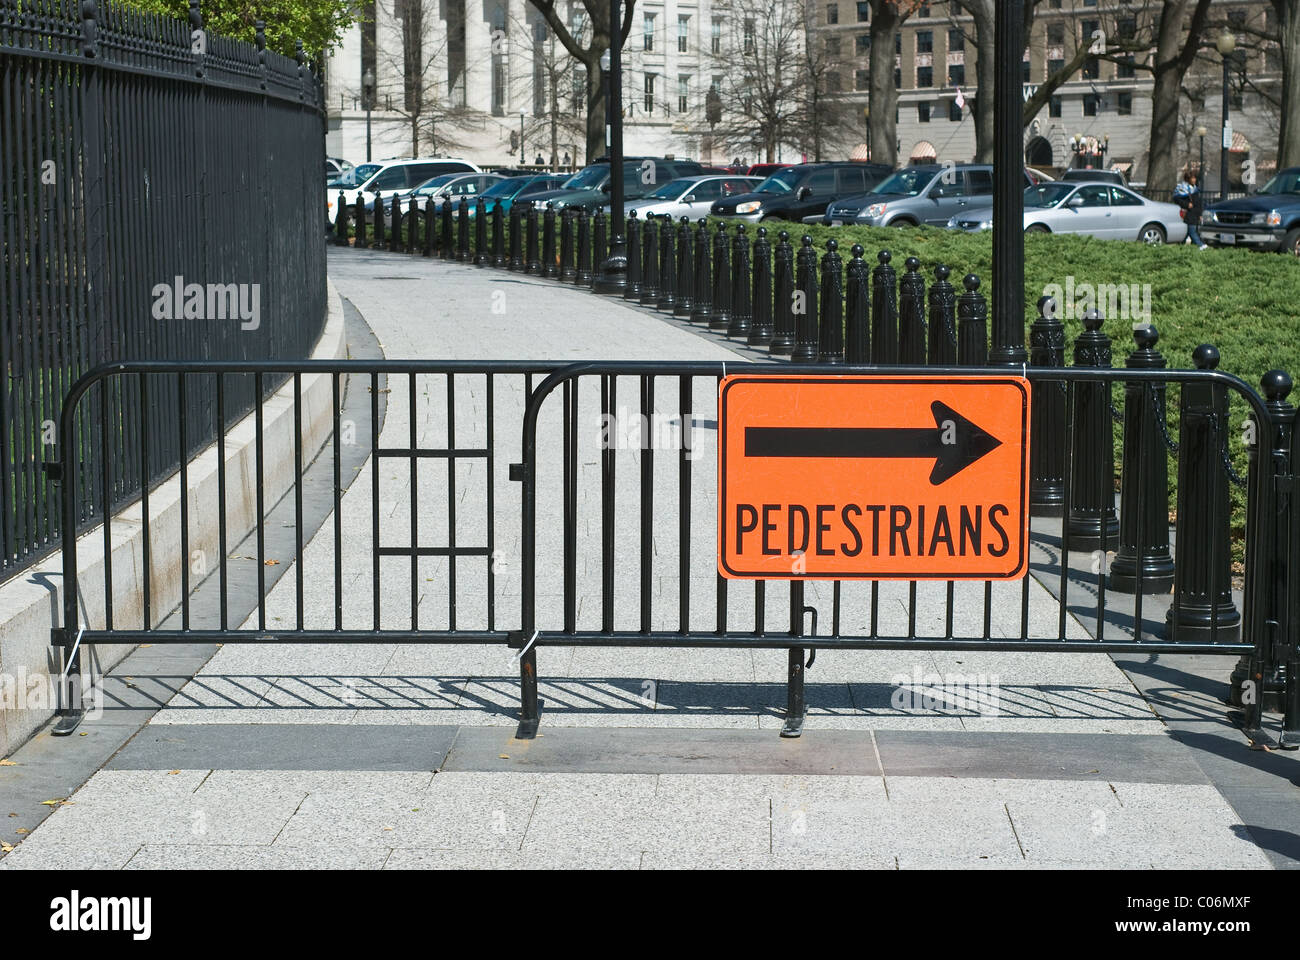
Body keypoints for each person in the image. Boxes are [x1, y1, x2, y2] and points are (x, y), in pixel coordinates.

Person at [1174, 168, 1207, 248]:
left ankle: (1181, 247)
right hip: (1188, 213)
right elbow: (1177, 199)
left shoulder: (1195, 189)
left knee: (1189, 232)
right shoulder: (1182, 188)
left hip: (1196, 213)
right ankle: (1201, 245)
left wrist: (1200, 213)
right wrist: (1187, 204)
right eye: (1192, 178)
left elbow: (1198, 203)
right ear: (1188, 179)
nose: (1194, 180)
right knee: (1191, 231)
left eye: (1195, 178)